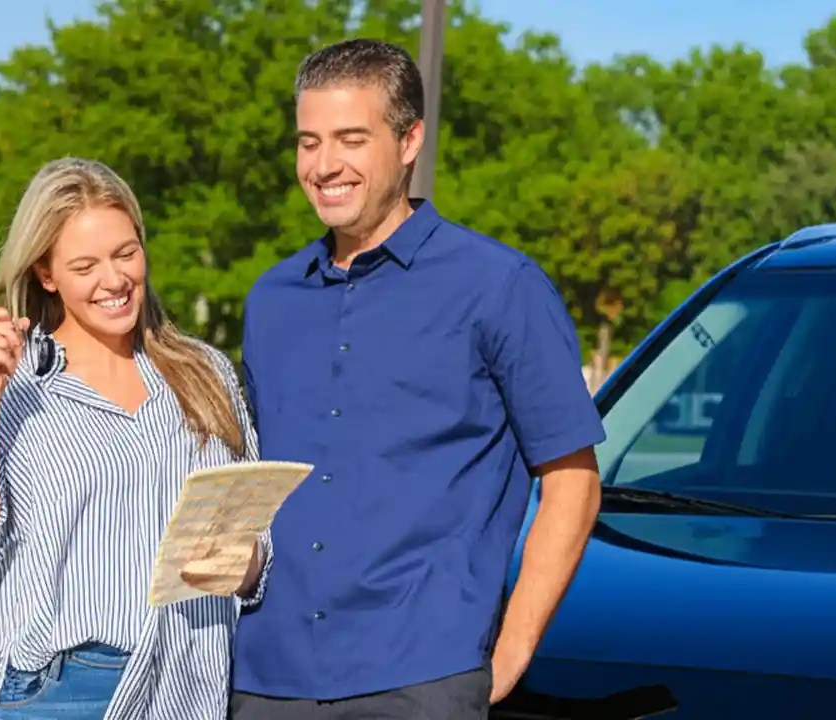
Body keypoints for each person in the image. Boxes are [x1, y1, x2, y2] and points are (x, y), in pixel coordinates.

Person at [231, 39, 605, 719]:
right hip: (265, 679)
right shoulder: (271, 299)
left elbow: (573, 481)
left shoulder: (499, 287)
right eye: (308, 142)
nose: (323, 166)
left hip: (422, 679)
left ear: (409, 141)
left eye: (350, 139)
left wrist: (511, 652)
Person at [0, 157, 270, 720]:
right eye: (85, 265)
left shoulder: (206, 374)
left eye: (126, 253)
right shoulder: (4, 384)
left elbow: (256, 536)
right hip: (65, 692)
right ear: (46, 273)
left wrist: (243, 562)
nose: (114, 280)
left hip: (191, 685)